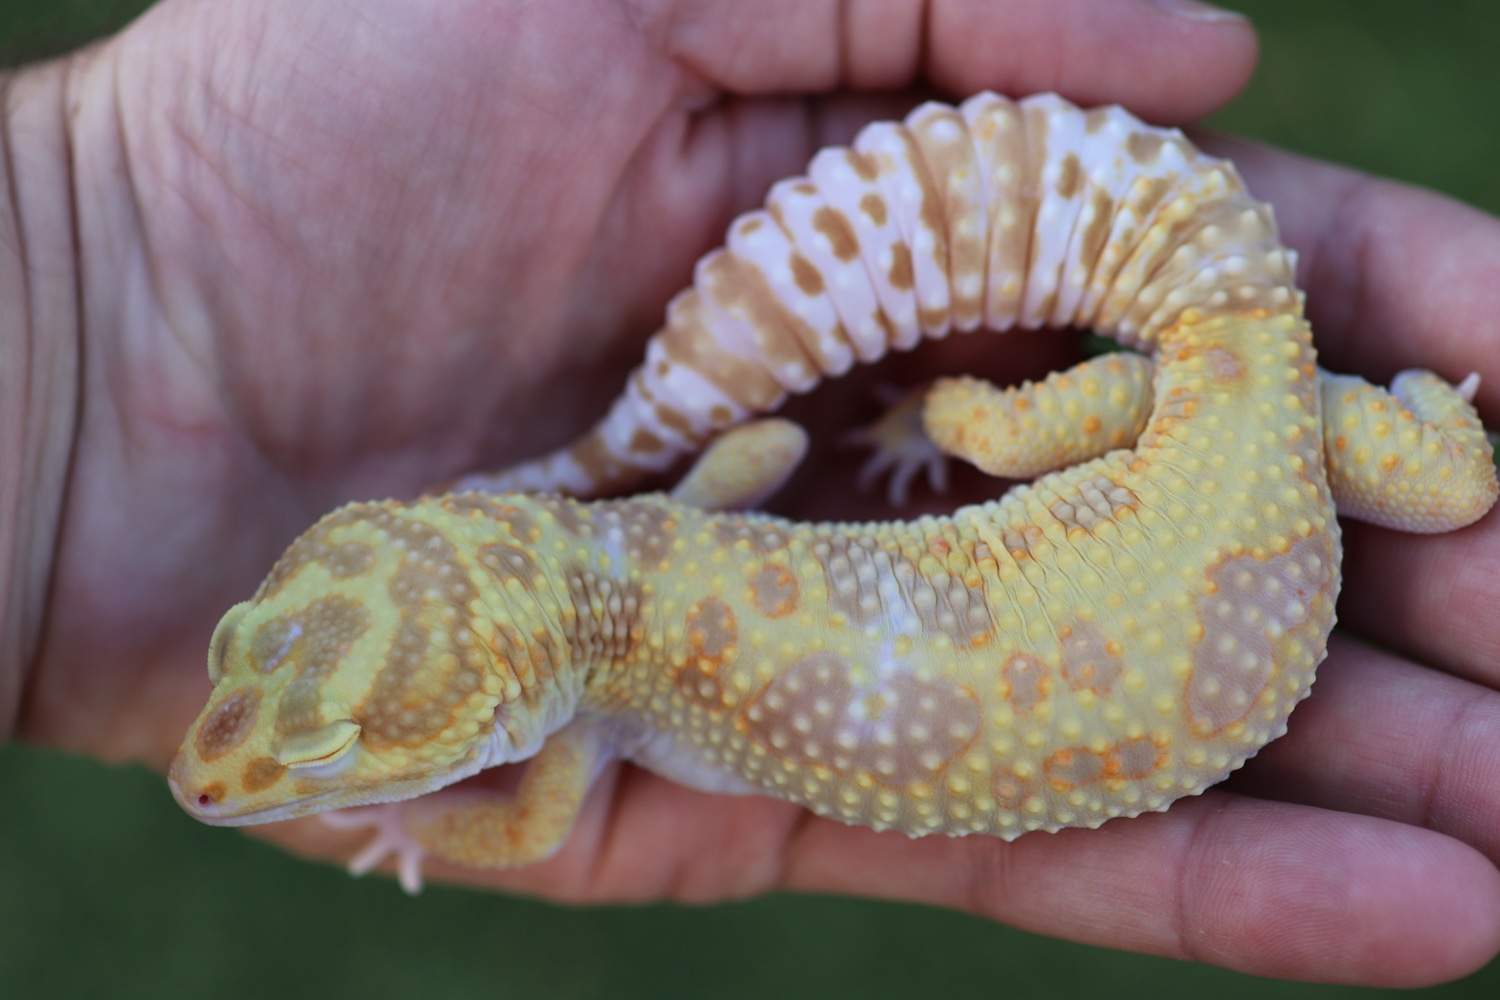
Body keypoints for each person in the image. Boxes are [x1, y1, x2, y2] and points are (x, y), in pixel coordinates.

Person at [2, 0, 1497, 986]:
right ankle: (1421, 424)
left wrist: (408, 823)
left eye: (329, 754)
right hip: (1217, 419)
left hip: (1238, 445)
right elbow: (764, 454)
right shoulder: (660, 546)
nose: (226, 772)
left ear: (514, 707)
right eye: (309, 744)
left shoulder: (594, 688)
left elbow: (520, 828)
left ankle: (1409, 431)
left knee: (1420, 498)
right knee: (1434, 490)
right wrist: (953, 421)